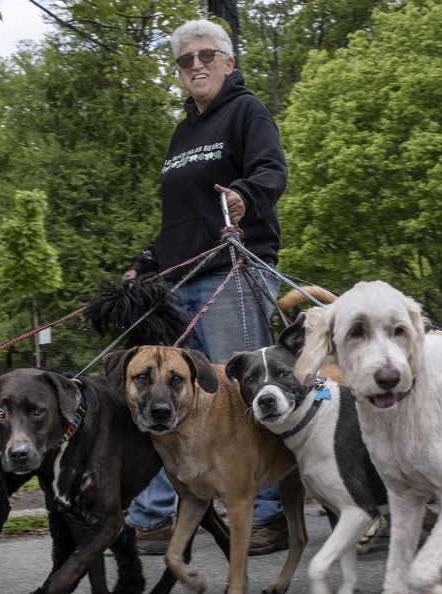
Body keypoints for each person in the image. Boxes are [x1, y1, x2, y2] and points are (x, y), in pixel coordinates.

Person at [121, 18, 290, 556]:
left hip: (233, 273)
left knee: (242, 394)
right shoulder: (182, 132)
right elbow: (179, 219)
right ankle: (154, 519)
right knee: (163, 392)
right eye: (185, 60)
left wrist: (243, 196)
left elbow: (272, 172)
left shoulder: (246, 112)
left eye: (206, 56)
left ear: (228, 61)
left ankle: (268, 515)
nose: (195, 66)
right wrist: (144, 263)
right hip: (179, 282)